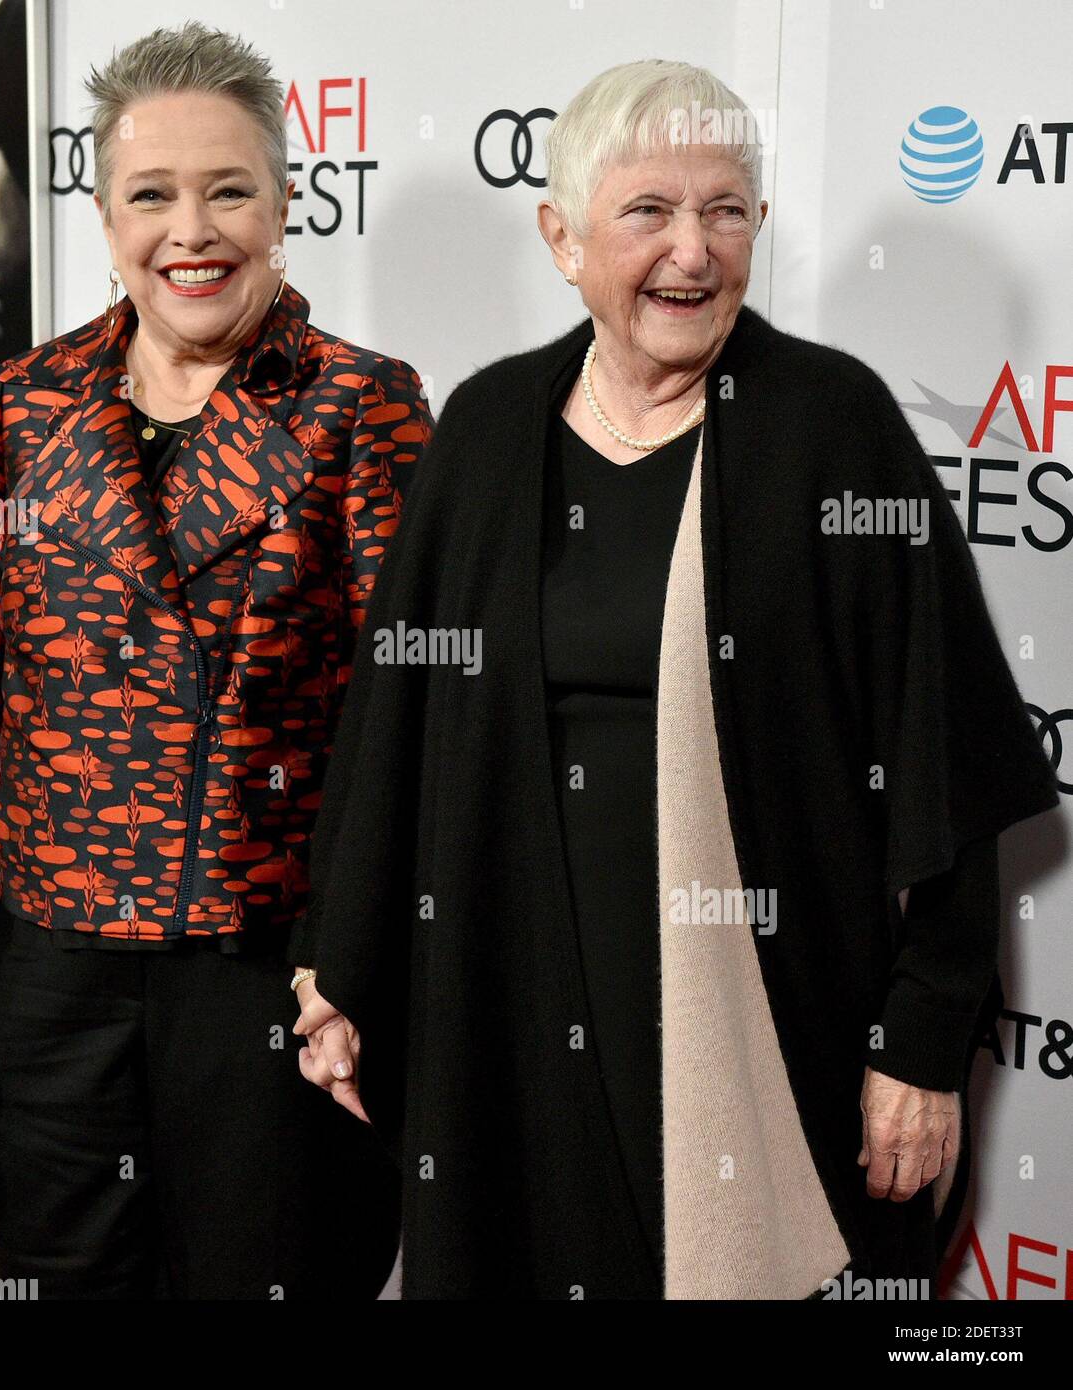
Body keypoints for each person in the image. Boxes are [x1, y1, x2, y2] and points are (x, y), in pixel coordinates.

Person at [289, 59, 1060, 1299]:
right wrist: (339, 960)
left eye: (728, 209)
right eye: (649, 210)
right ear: (563, 236)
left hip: (772, 1015)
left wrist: (920, 1043)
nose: (692, 251)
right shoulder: (488, 432)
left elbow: (947, 754)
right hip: (519, 988)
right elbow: (395, 725)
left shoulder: (833, 427)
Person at [0, 21, 432, 1299]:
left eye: (229, 189)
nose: (193, 230)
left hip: (274, 976)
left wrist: (350, 954)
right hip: (53, 973)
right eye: (153, 195)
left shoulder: (365, 404)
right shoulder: (25, 405)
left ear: (287, 202)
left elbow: (410, 718)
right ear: (105, 211)